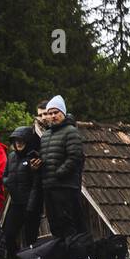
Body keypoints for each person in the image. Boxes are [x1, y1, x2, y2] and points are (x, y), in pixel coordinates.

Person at [32, 95, 85, 239]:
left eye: (56, 112)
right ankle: (63, 255)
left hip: (66, 186)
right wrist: (37, 164)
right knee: (55, 224)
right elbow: (46, 158)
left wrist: (58, 173)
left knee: (69, 224)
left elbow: (75, 157)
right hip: (49, 186)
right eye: (50, 113)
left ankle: (77, 255)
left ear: (63, 113)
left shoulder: (71, 131)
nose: (52, 116)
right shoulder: (46, 135)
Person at [2, 125, 42, 253]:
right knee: (8, 234)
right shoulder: (11, 156)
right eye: (16, 140)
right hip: (15, 203)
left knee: (30, 238)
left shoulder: (34, 157)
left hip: (31, 205)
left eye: (21, 140)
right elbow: (4, 176)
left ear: (27, 141)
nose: (18, 143)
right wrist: (8, 182)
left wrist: (31, 206)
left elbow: (37, 184)